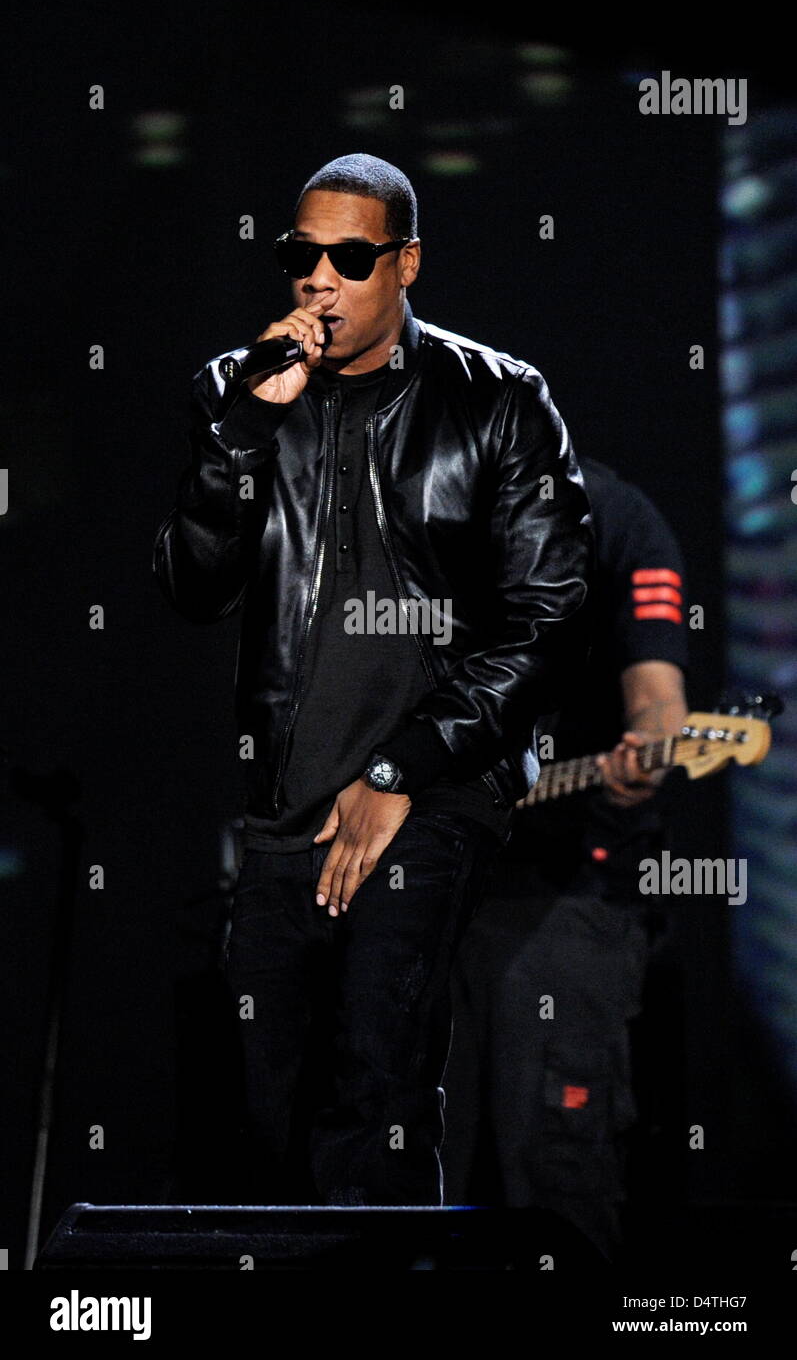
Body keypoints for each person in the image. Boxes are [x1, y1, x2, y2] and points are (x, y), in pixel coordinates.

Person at [153, 153, 592, 1206]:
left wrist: (401, 765)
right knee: (261, 1111)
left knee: (376, 1089)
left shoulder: (498, 400)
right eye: (300, 255)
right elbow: (190, 583)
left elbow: (547, 620)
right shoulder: (241, 390)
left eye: (348, 257)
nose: (317, 279)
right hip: (285, 805)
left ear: (405, 264)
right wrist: (246, 430)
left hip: (430, 791)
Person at [441, 455, 689, 1256]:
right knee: (399, 1179)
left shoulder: (618, 521)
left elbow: (658, 704)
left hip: (565, 893)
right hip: (430, 895)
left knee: (552, 1177)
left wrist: (643, 759)